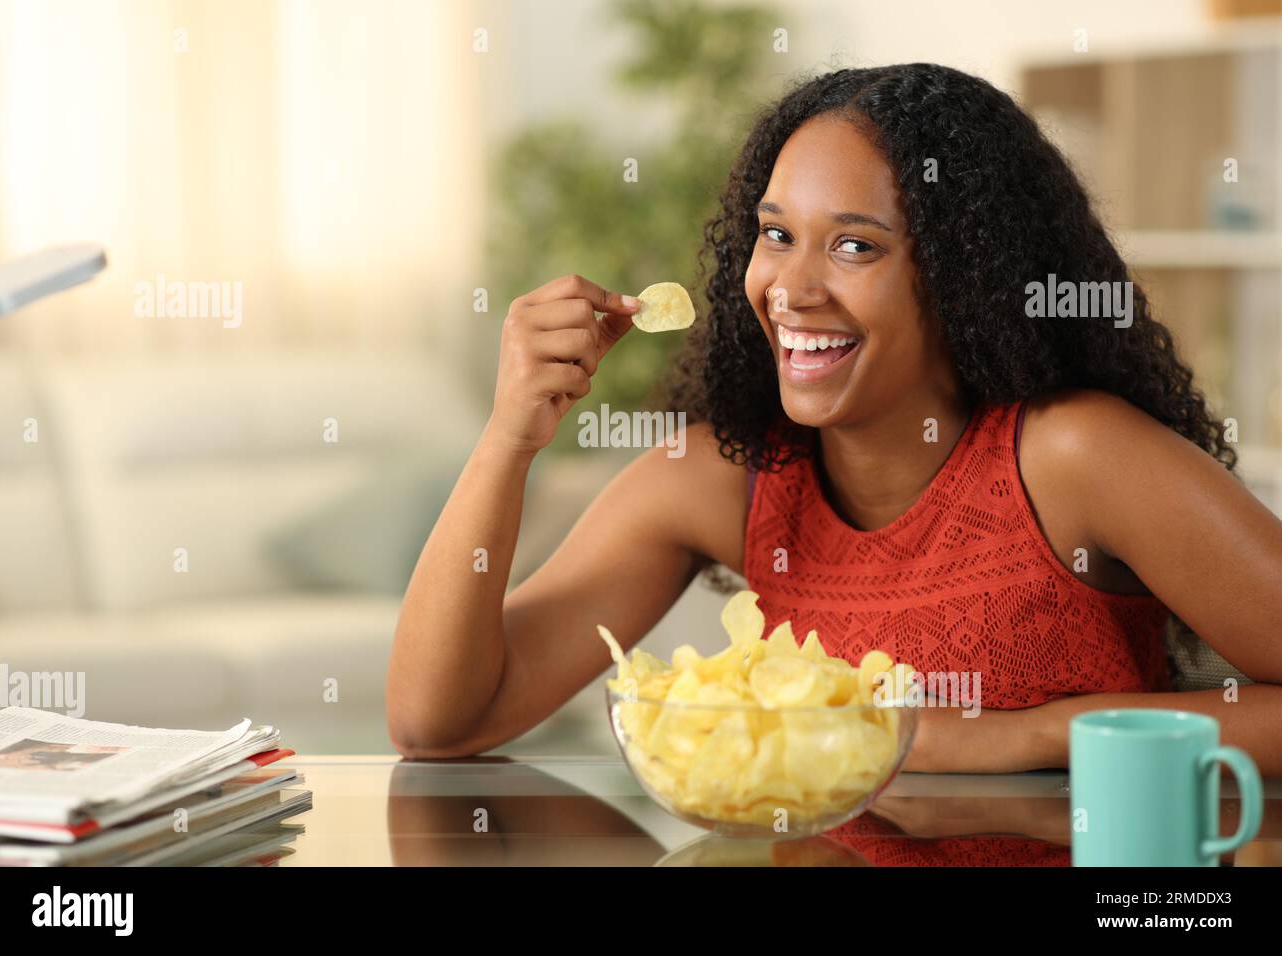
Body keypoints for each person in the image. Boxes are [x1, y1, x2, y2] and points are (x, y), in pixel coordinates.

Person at [387, 64, 1282, 774]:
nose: (792, 289)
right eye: (777, 235)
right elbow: (439, 723)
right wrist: (509, 439)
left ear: (965, 276)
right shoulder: (721, 479)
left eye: (855, 245)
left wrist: (1024, 735)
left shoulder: (1077, 455)